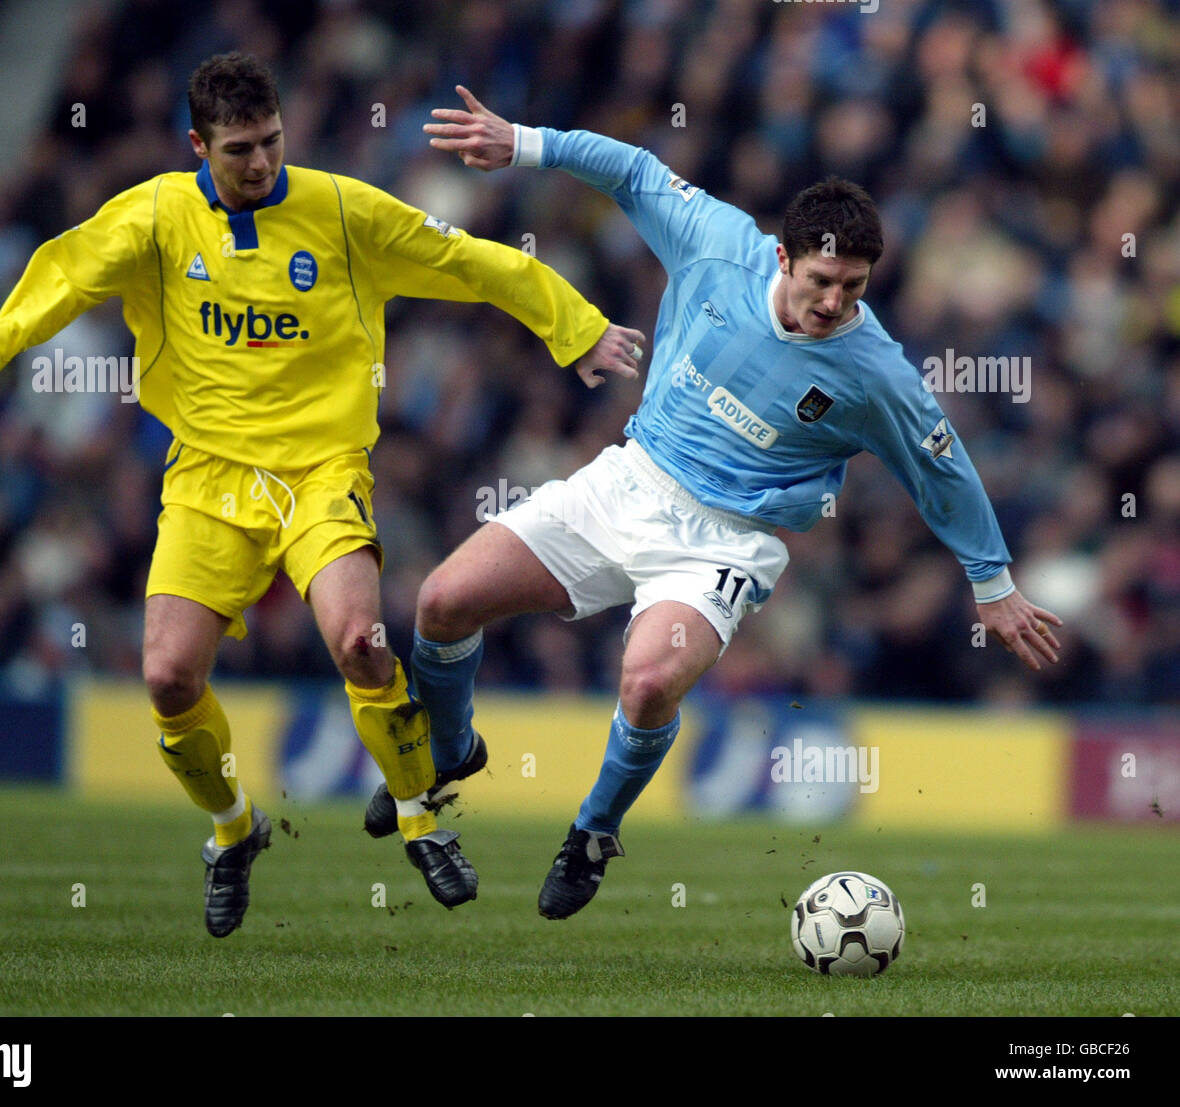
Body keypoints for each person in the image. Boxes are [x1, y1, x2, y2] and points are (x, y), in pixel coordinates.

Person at [0, 57, 644, 936]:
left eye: (271, 142)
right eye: (239, 149)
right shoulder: (155, 215)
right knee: (168, 676)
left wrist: (579, 326)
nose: (260, 163)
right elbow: (67, 270)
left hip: (322, 471)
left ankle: (419, 816)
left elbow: (471, 262)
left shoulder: (339, 210)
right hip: (207, 480)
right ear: (197, 146)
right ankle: (232, 830)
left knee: (360, 641)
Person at [376, 86, 1064, 920]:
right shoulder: (719, 241)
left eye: (854, 286)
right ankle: (450, 754)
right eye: (822, 280)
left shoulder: (875, 372)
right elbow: (632, 169)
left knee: (650, 681)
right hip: (628, 478)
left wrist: (992, 583)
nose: (835, 303)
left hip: (727, 541)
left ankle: (593, 829)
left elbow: (941, 467)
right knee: (442, 603)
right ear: (782, 256)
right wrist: (521, 142)